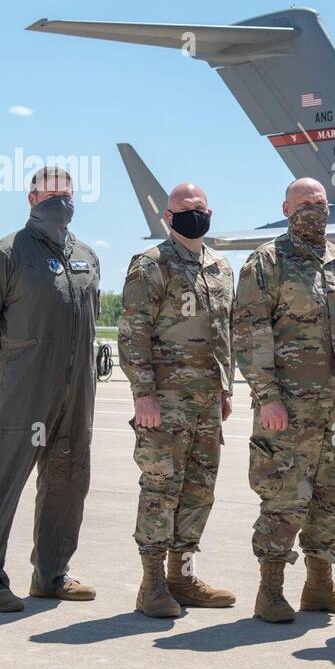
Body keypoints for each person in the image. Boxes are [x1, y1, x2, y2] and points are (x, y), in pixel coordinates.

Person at [0, 166, 100, 611]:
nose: (59, 199)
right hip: (24, 390)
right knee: (2, 483)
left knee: (68, 480)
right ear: (31, 199)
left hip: (77, 392)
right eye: (50, 192)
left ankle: (51, 574)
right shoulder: (6, 255)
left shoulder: (87, 257)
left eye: (66, 192)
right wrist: (7, 374)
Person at [233, 178, 335, 623]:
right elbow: (250, 334)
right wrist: (266, 396)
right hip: (287, 410)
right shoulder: (267, 262)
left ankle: (319, 586)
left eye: (321, 203)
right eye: (306, 203)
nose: (315, 210)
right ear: (286, 207)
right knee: (284, 497)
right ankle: (270, 591)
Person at [118, 182, 236, 619]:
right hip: (164, 402)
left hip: (206, 402)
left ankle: (182, 577)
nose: (193, 214)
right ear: (167, 218)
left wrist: (224, 387)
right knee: (160, 489)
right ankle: (151, 585)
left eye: (199, 208)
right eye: (183, 209)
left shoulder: (220, 268)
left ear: (210, 212)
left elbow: (224, 333)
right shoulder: (151, 265)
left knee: (198, 492)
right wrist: (143, 393)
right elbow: (132, 333)